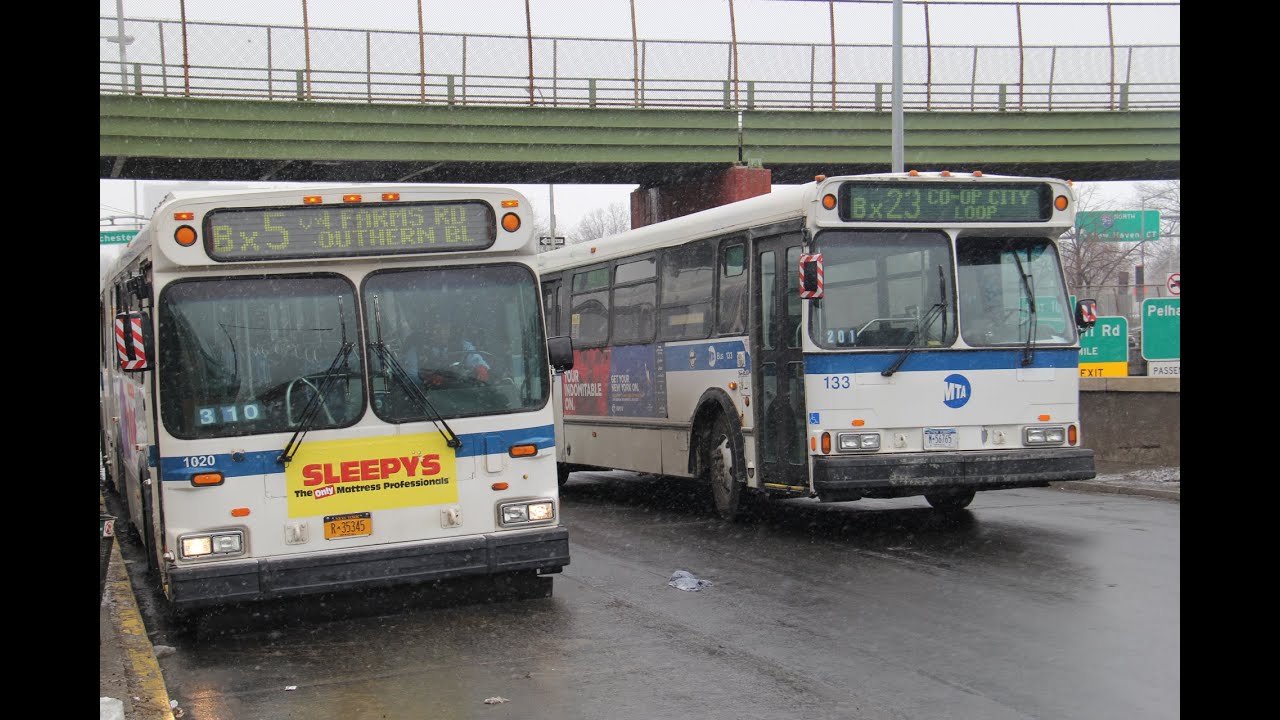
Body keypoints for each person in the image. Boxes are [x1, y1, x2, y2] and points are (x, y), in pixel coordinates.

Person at [403, 315, 490, 385]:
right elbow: (411, 376)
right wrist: (427, 378)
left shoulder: (462, 345)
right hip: (429, 398)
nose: (442, 333)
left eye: (445, 328)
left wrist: (481, 368)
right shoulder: (417, 349)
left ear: (450, 330)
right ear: (429, 331)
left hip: (461, 392)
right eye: (437, 329)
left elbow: (475, 359)